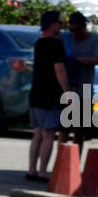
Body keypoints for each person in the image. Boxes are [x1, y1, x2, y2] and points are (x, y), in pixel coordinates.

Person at [27, 10, 68, 181]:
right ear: (53, 24)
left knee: (37, 134)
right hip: (49, 95)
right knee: (49, 134)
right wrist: (67, 91)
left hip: (36, 93)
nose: (62, 26)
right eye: (60, 23)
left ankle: (31, 170)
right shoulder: (54, 44)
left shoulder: (39, 42)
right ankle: (43, 171)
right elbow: (59, 69)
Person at [63, 12, 98, 146]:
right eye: (72, 30)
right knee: (64, 129)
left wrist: (76, 60)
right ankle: (62, 163)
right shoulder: (66, 38)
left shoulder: (94, 40)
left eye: (78, 30)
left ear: (84, 27)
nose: (75, 34)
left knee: (80, 130)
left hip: (85, 90)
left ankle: (75, 162)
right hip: (67, 88)